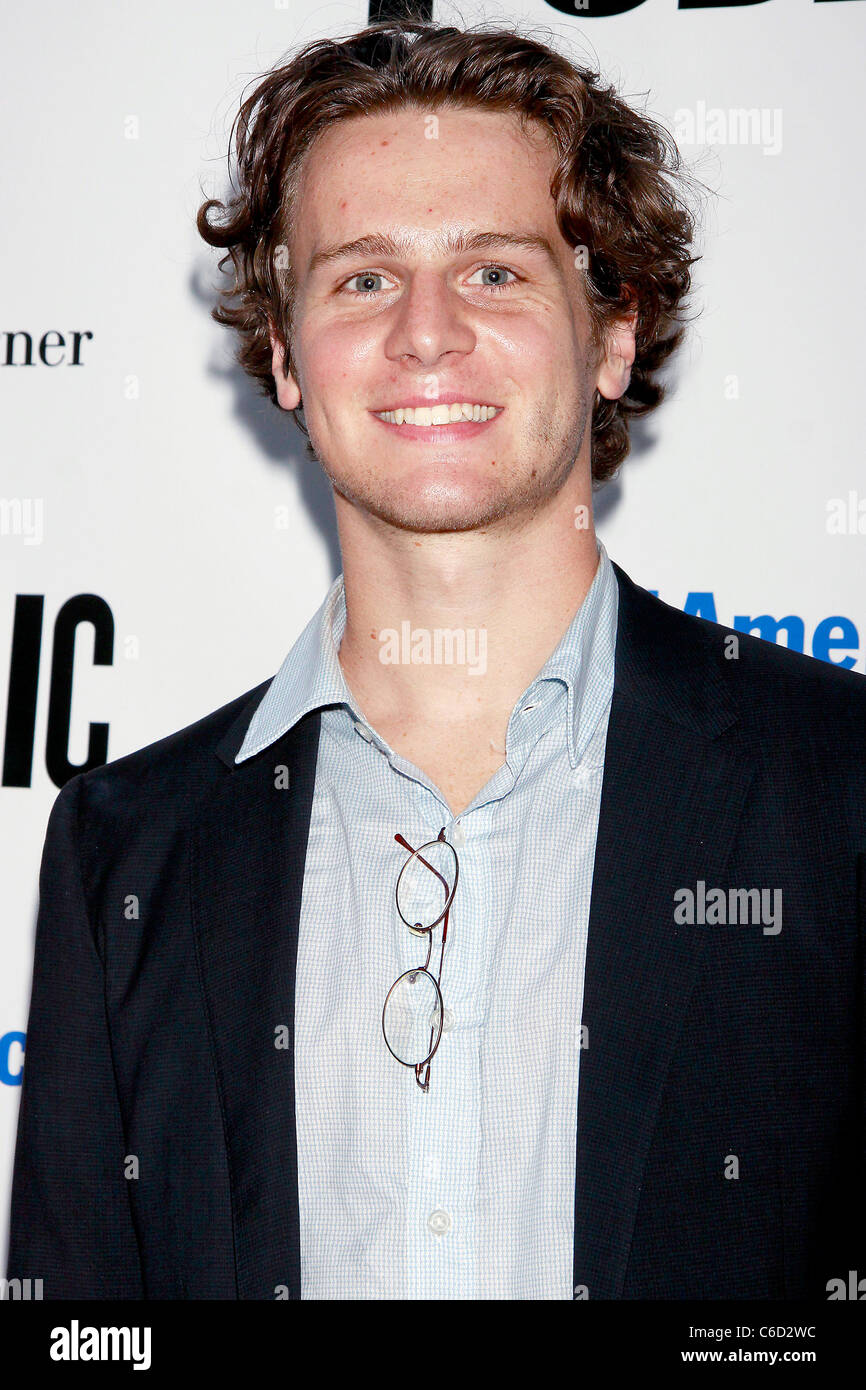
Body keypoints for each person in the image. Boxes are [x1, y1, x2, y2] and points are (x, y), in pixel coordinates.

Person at [7, 19, 864, 1300]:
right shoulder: (125, 850)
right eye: (360, 277)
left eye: (495, 273)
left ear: (612, 334)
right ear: (287, 356)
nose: (423, 332)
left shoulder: (838, 784)